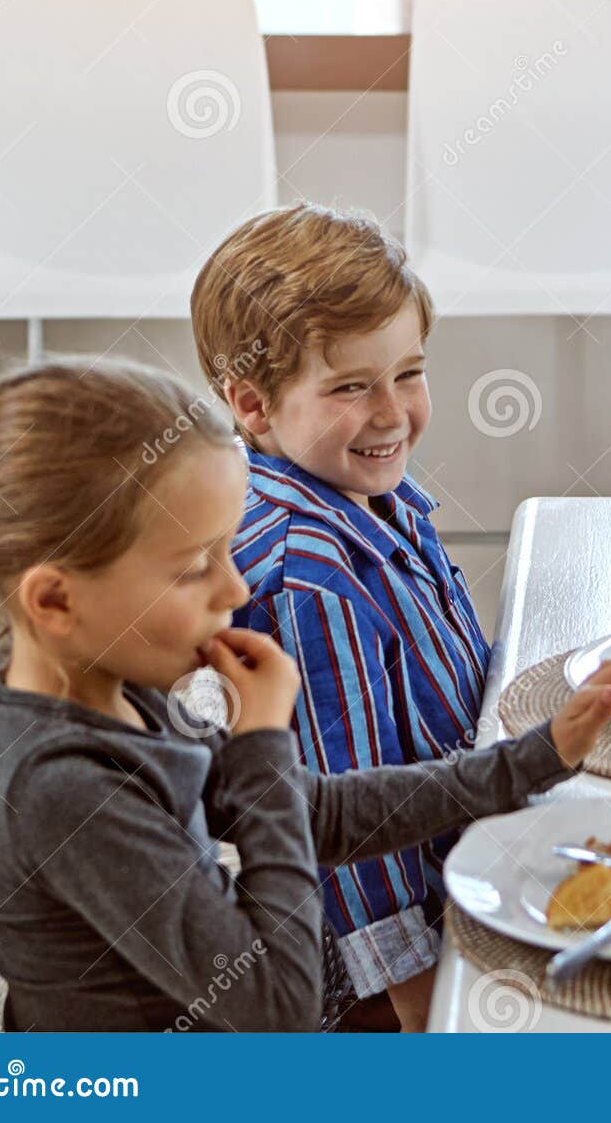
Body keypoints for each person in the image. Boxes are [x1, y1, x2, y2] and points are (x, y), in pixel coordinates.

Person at [0, 357, 611, 1032]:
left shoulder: (124, 693)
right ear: (55, 601)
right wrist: (262, 741)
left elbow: (311, 812)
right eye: (194, 567)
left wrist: (540, 753)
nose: (236, 586)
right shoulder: (67, 790)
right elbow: (277, 1011)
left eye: (228, 548)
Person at [189, 202, 501, 1032]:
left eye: (408, 372)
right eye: (351, 386)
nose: (392, 412)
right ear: (254, 407)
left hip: (457, 866)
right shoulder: (308, 579)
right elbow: (356, 827)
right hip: (378, 984)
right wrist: (426, 1016)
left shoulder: (374, 498)